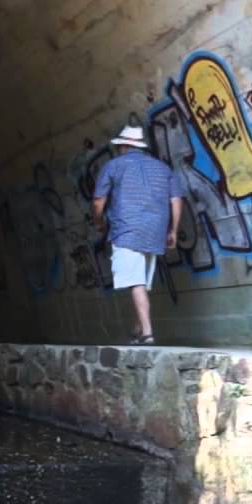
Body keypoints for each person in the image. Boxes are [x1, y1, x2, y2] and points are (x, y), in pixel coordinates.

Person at [92, 125, 185, 345]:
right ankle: (136, 329)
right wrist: (173, 230)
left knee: (135, 282)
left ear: (123, 146)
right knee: (140, 282)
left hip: (126, 230)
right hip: (154, 232)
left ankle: (147, 333)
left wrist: (99, 223)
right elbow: (176, 199)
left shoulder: (113, 166)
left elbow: (98, 201)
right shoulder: (163, 169)